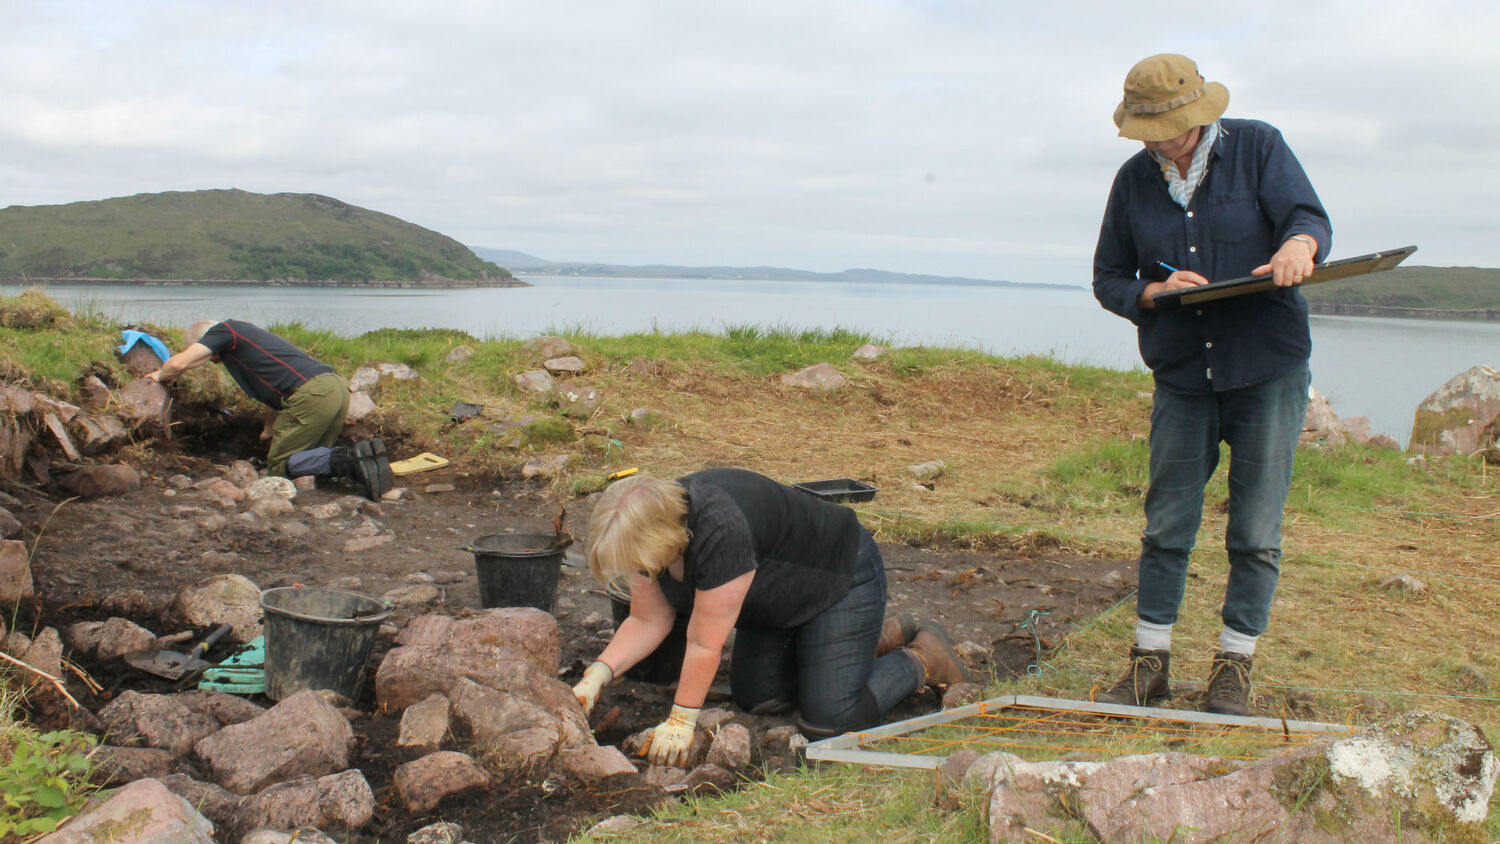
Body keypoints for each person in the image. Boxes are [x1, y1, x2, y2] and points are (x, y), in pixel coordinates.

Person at [1091, 54, 1331, 716]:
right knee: (1167, 522)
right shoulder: (1133, 181)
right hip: (1181, 375)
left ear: (1199, 114)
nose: (1161, 141)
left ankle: (1234, 667)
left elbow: (1309, 220)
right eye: (1149, 130)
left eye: (1171, 126)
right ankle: (1149, 665)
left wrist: (1298, 249)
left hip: (1268, 369)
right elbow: (1109, 277)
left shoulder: (1259, 147)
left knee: (1255, 530)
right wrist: (1153, 290)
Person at [570, 468, 969, 764]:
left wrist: (680, 720)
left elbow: (704, 641)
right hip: (780, 599)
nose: (635, 571)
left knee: (831, 722)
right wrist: (598, 675)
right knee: (758, 697)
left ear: (659, 538)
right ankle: (863, 643)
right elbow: (647, 619)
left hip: (840, 577)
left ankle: (921, 657)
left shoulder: (720, 530)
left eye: (634, 563)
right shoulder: (649, 530)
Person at [146, 319, 393, 500]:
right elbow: (274, 398)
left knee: (281, 467)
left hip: (313, 394)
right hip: (334, 388)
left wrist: (159, 376)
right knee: (311, 456)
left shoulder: (225, 331)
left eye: (213, 358)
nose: (214, 362)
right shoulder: (248, 350)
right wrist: (268, 430)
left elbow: (178, 363)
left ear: (206, 342)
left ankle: (351, 460)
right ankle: (364, 463)